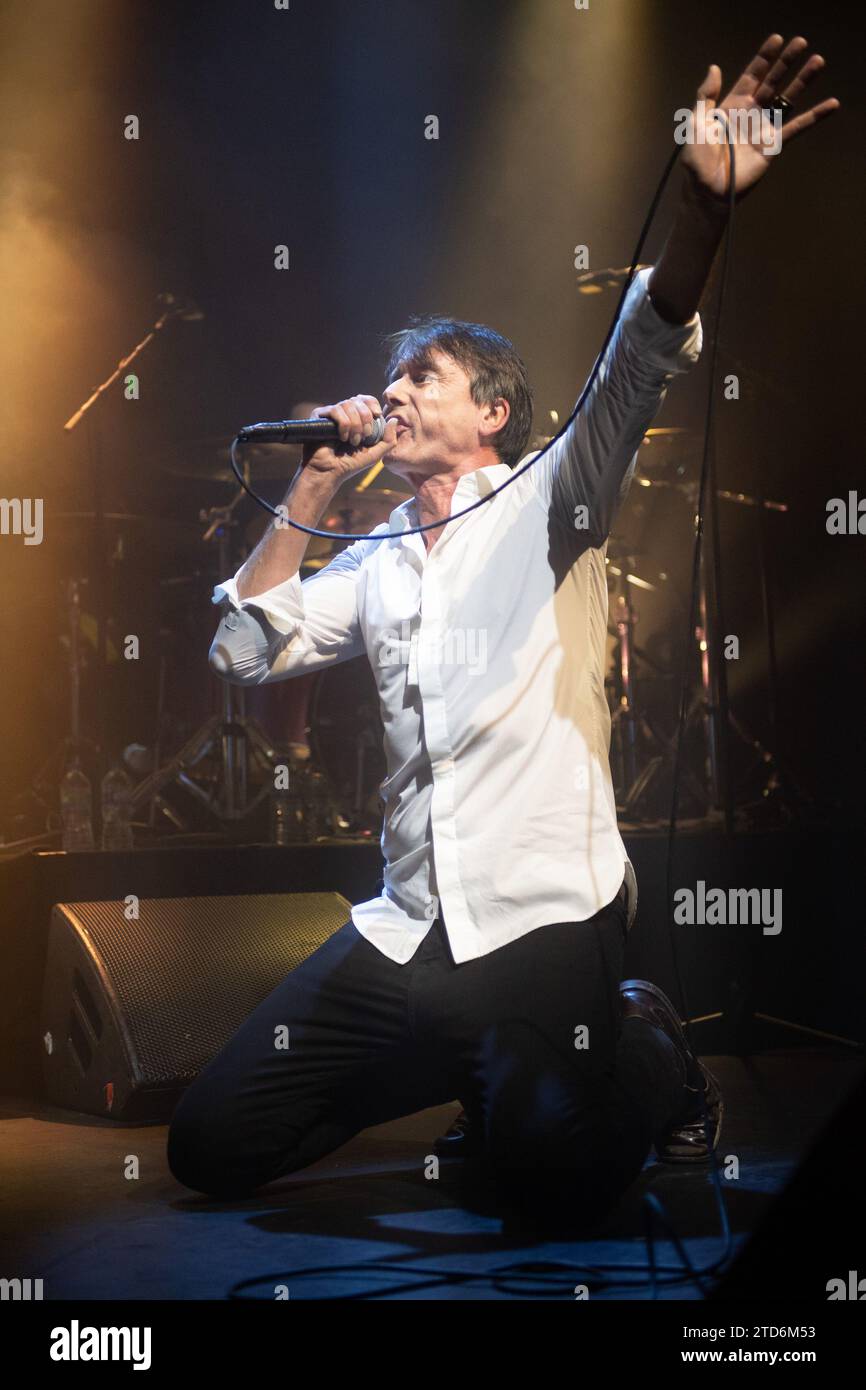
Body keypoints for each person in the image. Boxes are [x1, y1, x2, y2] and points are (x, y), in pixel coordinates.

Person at [167, 35, 837, 1228]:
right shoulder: (370, 558)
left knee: (553, 1183)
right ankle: (467, 1067)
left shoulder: (546, 501)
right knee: (210, 1146)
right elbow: (241, 650)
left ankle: (639, 1040)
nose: (400, 391)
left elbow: (636, 365)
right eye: (395, 378)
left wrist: (698, 206)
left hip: (539, 917)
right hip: (410, 926)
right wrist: (315, 489)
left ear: (490, 410)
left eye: (425, 374)